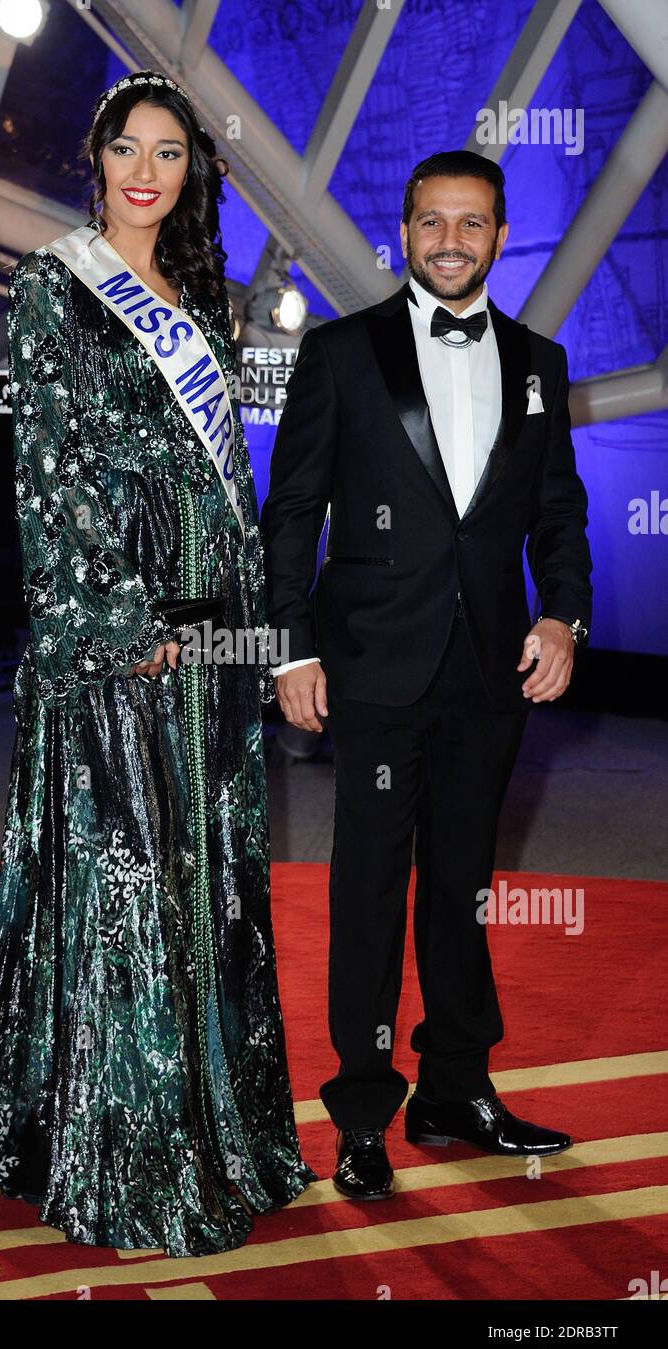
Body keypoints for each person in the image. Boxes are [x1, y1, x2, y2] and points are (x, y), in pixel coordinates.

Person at [0, 70, 316, 1257]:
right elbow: (47, 473)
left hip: (208, 632)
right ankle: (128, 1149)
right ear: (96, 160)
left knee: (207, 878)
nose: (147, 170)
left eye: (169, 152)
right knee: (131, 884)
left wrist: (247, 626)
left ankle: (221, 1131)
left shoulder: (199, 297)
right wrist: (118, 619)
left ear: (189, 173)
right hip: (118, 635)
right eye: (127, 148)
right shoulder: (55, 282)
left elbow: (224, 481)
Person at [261, 149, 593, 1200]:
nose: (450, 242)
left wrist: (561, 615)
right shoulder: (340, 352)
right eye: (430, 223)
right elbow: (292, 510)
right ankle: (363, 1108)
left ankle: (455, 1084)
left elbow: (557, 512)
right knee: (368, 892)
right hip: (367, 667)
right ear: (403, 233)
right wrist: (290, 644)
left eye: (471, 224)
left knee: (461, 888)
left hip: (487, 674)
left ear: (499, 236)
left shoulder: (540, 362)